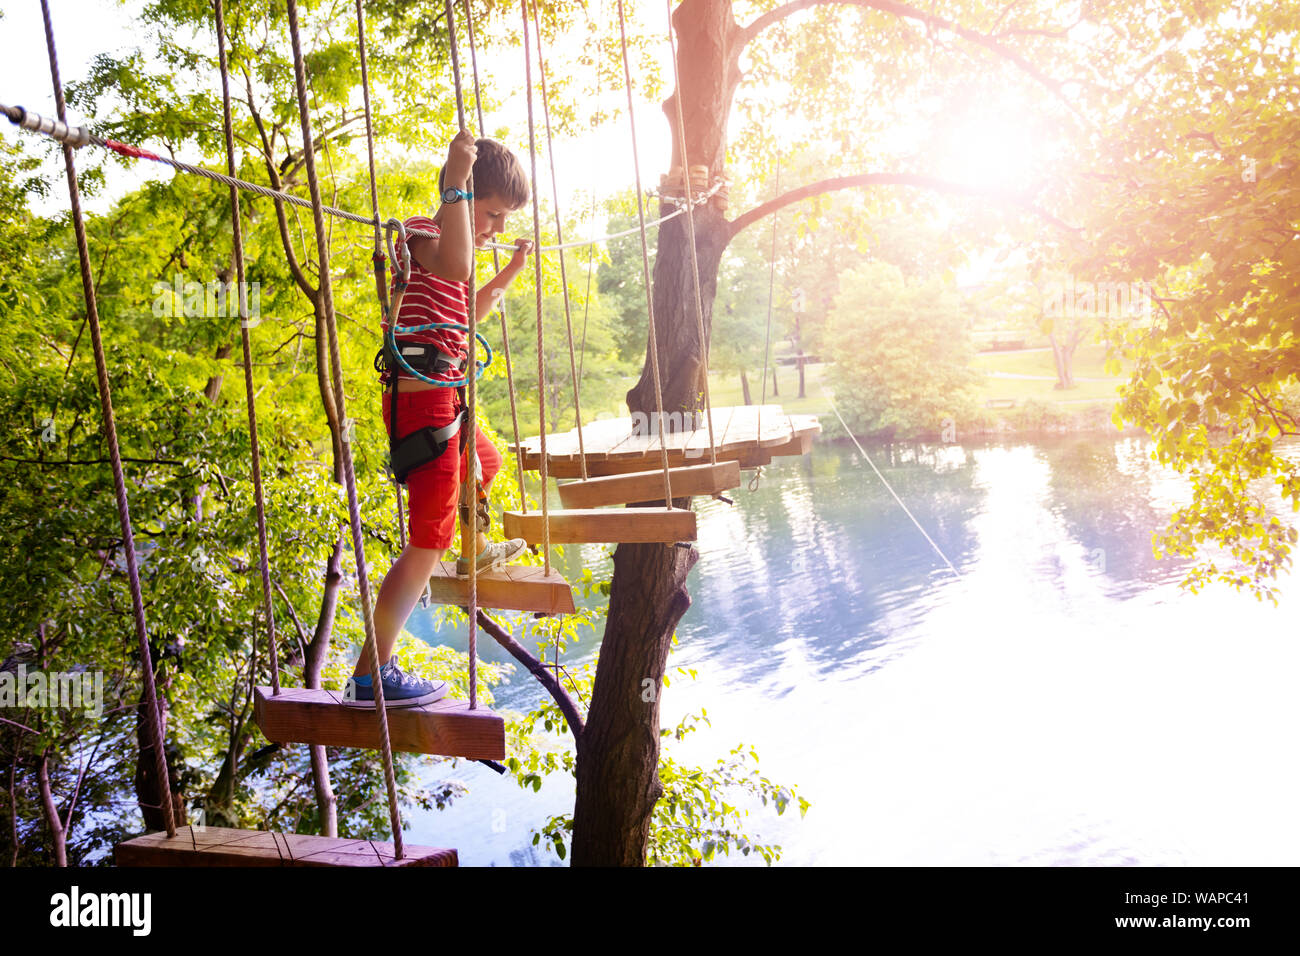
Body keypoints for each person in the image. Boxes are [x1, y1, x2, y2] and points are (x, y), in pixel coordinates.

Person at [344, 131, 532, 708]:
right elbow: (453, 262)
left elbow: (466, 309)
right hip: (422, 403)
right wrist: (453, 183)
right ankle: (371, 674)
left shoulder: (458, 255)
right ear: (464, 197)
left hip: (443, 400)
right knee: (427, 539)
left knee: (488, 462)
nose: (496, 230)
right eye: (493, 214)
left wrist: (511, 272)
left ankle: (466, 553)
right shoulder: (423, 233)